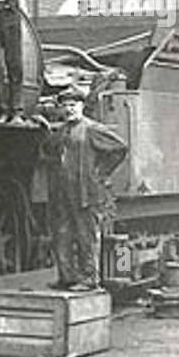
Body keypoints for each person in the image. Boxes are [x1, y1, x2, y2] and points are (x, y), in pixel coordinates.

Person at [43, 85, 128, 291]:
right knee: (62, 235)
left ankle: (89, 279)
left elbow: (119, 147)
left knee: (86, 237)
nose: (70, 109)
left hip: (85, 193)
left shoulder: (92, 129)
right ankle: (67, 277)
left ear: (81, 107)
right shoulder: (62, 131)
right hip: (63, 193)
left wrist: (100, 173)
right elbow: (49, 150)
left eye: (74, 105)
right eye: (66, 106)